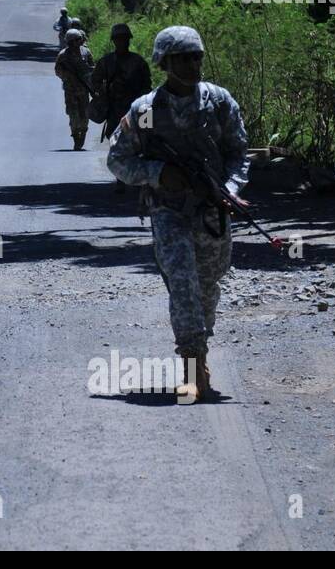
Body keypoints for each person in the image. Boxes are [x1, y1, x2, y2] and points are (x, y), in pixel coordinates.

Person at [105, 26, 251, 403]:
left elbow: (238, 152)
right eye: (182, 58)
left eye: (195, 56)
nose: (191, 64)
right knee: (183, 280)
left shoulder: (218, 103)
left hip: (212, 209)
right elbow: (119, 160)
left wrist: (230, 190)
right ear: (164, 63)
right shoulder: (148, 111)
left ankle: (201, 348)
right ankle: (192, 365)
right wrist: (157, 174)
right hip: (168, 210)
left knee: (208, 285)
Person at [92, 22, 153, 154]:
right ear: (113, 41)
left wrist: (143, 107)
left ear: (128, 40)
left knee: (144, 140)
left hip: (136, 106)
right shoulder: (106, 61)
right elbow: (95, 81)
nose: (122, 41)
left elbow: (147, 87)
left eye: (124, 38)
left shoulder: (138, 61)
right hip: (115, 108)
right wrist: (105, 93)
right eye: (118, 38)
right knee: (116, 140)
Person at [54, 29, 95, 150]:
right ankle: (76, 136)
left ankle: (83, 133)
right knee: (73, 114)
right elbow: (58, 71)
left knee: (85, 114)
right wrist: (68, 75)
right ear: (70, 42)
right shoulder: (63, 55)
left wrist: (88, 74)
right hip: (70, 90)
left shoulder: (86, 52)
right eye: (76, 40)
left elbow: (93, 68)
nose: (79, 42)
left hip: (84, 89)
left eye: (79, 39)